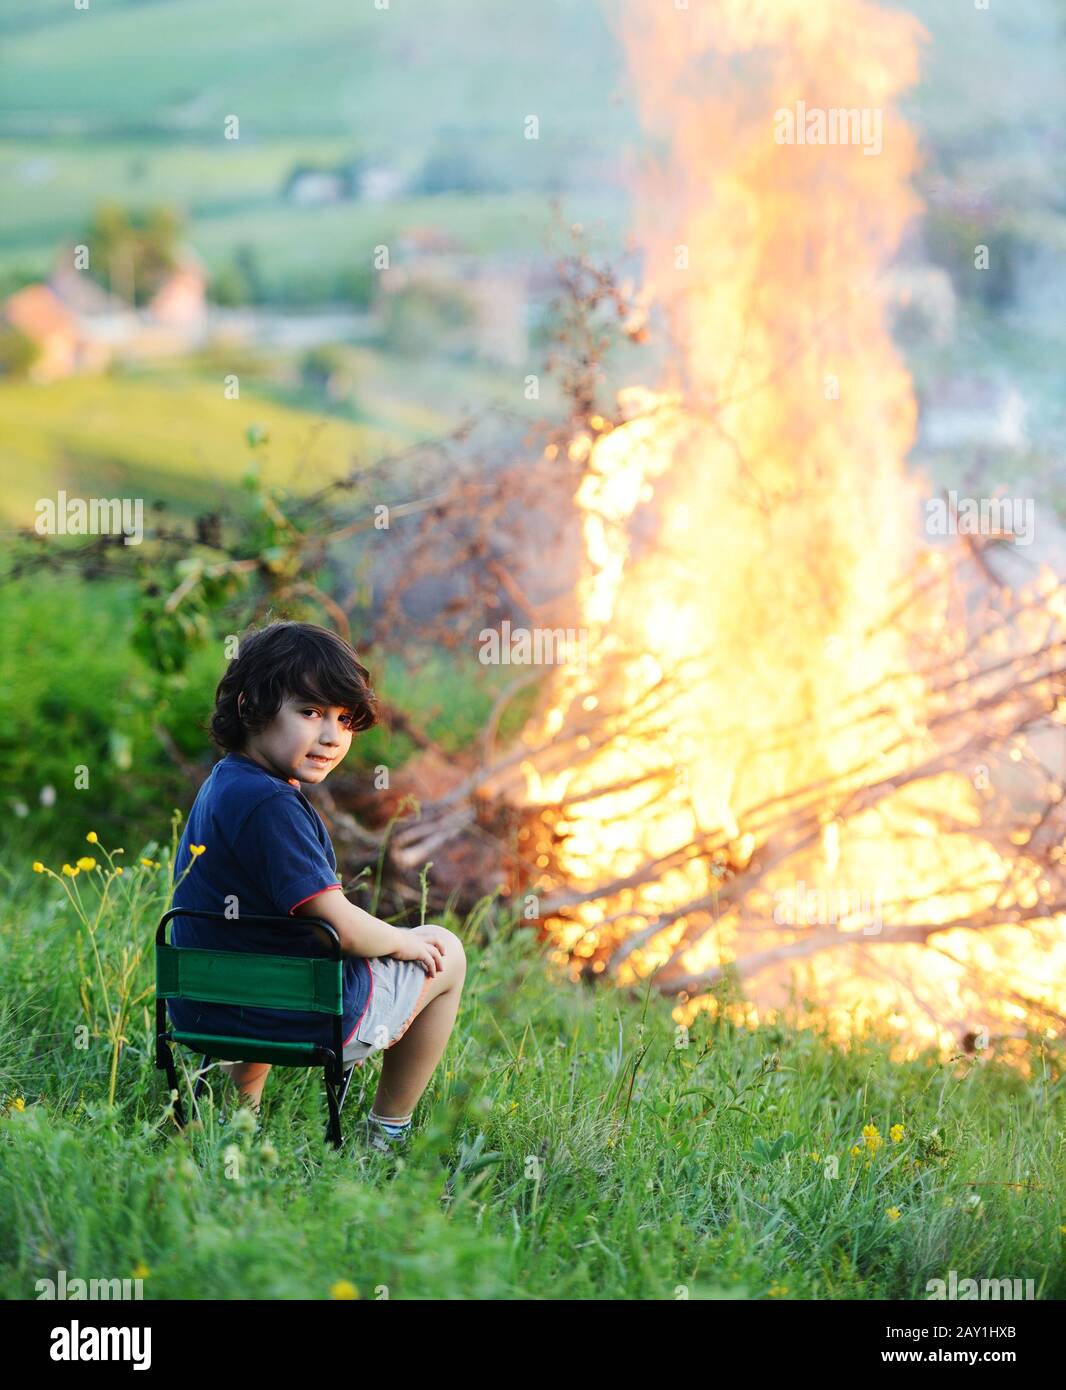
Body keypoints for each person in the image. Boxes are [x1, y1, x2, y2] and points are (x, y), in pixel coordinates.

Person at [168, 619, 465, 1150]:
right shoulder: (273, 804)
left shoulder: (225, 783)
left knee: (264, 945)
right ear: (249, 708)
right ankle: (388, 1134)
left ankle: (240, 1120)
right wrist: (404, 941)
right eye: (310, 712)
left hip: (203, 1007)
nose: (332, 736)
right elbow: (339, 926)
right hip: (303, 1020)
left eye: (345, 719)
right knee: (447, 949)